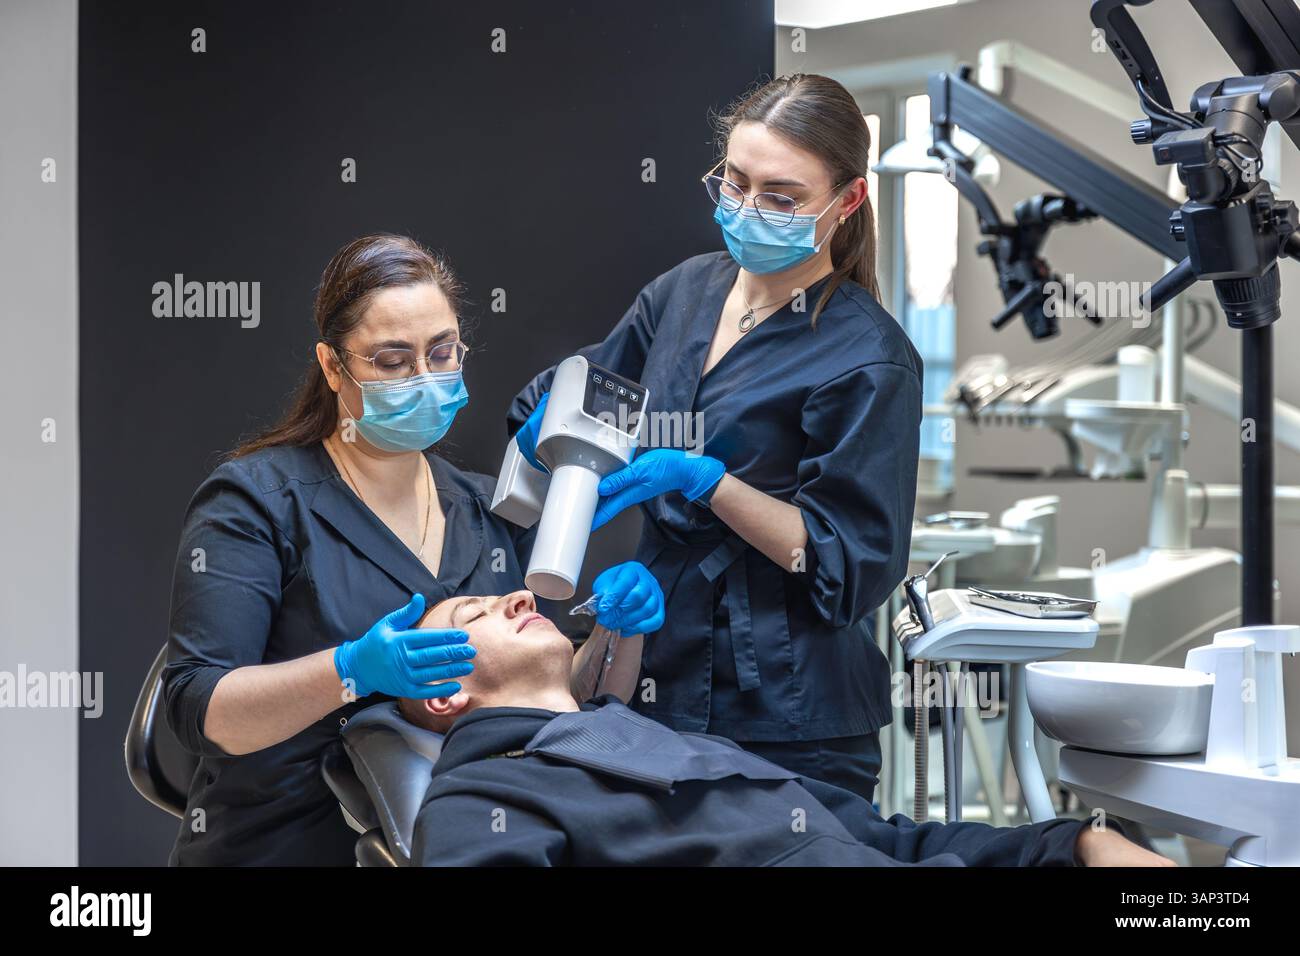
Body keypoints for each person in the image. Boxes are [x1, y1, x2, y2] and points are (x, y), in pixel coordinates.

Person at [162, 234, 663, 865]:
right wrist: (349, 671)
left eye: (442, 352)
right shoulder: (259, 502)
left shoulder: (488, 509)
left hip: (466, 841)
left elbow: (554, 696)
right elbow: (199, 709)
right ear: (332, 365)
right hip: (282, 845)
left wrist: (619, 636)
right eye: (393, 362)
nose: (425, 379)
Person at [509, 74, 922, 801]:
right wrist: (549, 411)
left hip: (791, 714)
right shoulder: (684, 292)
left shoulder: (868, 357)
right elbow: (583, 392)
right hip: (658, 677)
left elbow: (845, 566)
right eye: (734, 183)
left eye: (781, 197)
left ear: (847, 201)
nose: (748, 209)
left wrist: (708, 481)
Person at [403, 592, 1174, 867]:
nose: (508, 596)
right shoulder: (485, 791)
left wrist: (1072, 845)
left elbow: (886, 841)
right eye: (472, 615)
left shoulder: (675, 745)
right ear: (441, 697)